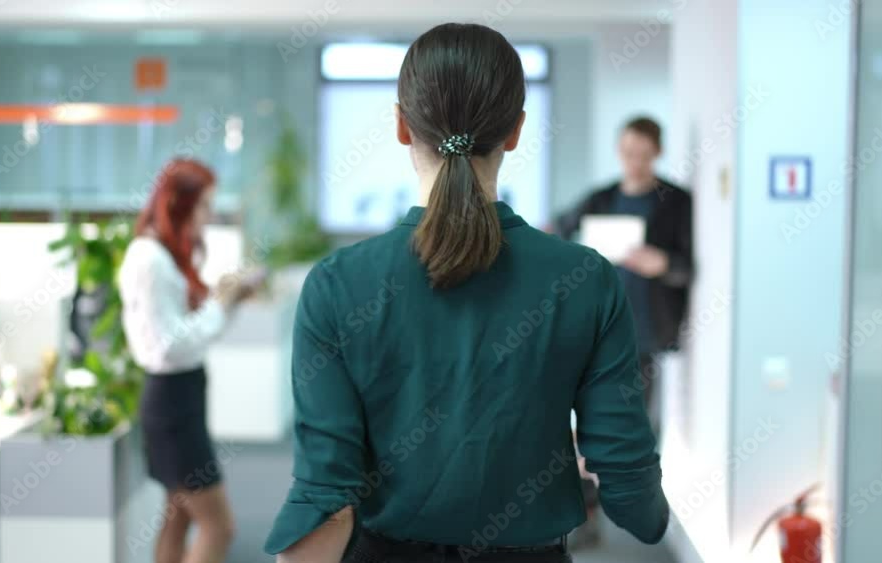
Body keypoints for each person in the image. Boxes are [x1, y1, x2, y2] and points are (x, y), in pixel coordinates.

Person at [264, 23, 669, 563]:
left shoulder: (338, 283)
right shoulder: (585, 279)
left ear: (402, 126)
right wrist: (651, 512)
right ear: (516, 131)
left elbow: (325, 497)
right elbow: (631, 494)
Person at [555, 116, 693, 550]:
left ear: (657, 153)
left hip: (645, 334)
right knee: (580, 424)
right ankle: (585, 516)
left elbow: (686, 267)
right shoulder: (602, 197)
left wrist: (662, 264)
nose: (633, 162)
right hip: (595, 326)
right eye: (626, 152)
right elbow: (559, 228)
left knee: (630, 426)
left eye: (642, 154)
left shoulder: (674, 201)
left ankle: (633, 512)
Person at [118, 159, 259, 563]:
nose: (209, 216)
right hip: (172, 401)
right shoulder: (150, 258)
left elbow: (188, 335)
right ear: (180, 204)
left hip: (179, 396)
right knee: (219, 526)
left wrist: (227, 304)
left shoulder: (160, 254)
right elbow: (168, 346)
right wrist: (221, 304)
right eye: (204, 206)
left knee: (178, 515)